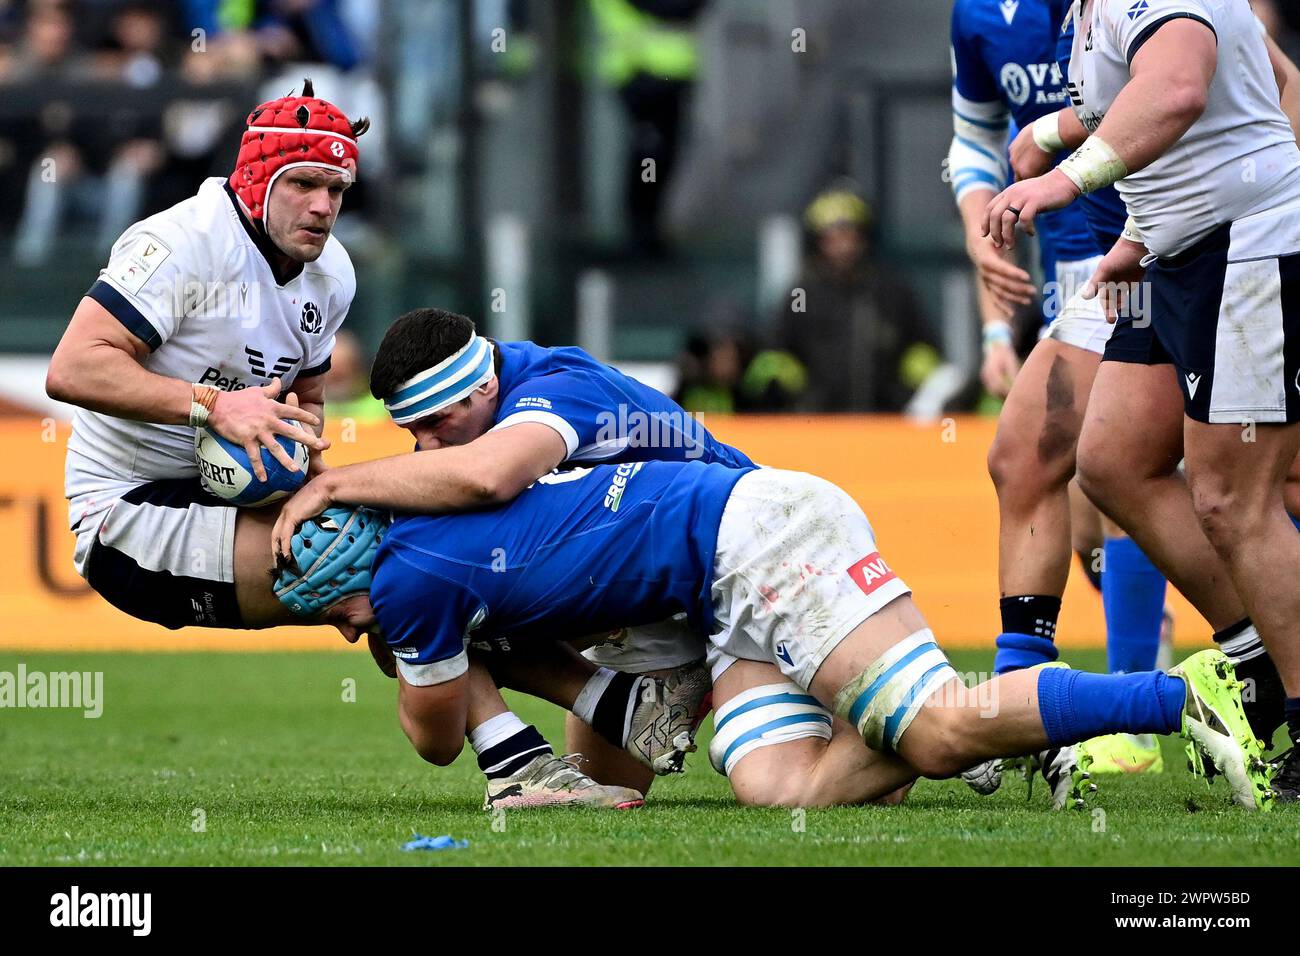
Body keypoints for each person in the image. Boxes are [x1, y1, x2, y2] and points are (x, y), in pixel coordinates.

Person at [343, 458, 1272, 810]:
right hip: (717, 608)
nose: (350, 632)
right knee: (784, 792)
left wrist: (450, 667)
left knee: (937, 728)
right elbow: (617, 775)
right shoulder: (471, 503)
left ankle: (1187, 694)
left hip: (761, 541)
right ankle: (984, 730)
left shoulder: (418, 572)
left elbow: (431, 737)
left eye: (337, 612)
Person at [985, 0, 1300, 799]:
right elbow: (1151, 106)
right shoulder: (1088, 13)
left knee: (1236, 497)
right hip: (1173, 255)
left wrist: (1060, 174)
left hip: (1246, 244)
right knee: (1113, 461)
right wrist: (1129, 237)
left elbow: (1180, 88)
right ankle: (1253, 663)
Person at [271, 308, 757, 808]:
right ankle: (599, 721)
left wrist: (333, 484)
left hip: (738, 572)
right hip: (655, 601)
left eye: (437, 422)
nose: (428, 447)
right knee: (610, 788)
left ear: (482, 387)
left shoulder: (560, 387)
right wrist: (396, 617)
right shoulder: (478, 418)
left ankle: (515, 759)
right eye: (414, 431)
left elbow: (489, 476)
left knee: (782, 788)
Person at [949, 0, 1173, 787]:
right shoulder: (975, 14)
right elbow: (973, 137)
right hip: (1067, 273)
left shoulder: (1107, 4)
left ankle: (1123, 700)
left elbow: (1165, 93)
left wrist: (1051, 139)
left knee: (1116, 476)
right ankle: (1199, 664)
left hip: (1151, 254)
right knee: (1086, 508)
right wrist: (983, 231)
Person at [45, 79, 364, 632]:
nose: (323, 207)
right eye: (305, 184)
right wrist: (215, 406)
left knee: (417, 566)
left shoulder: (333, 272)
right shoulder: (183, 242)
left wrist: (312, 486)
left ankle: (530, 713)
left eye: (337, 190)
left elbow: (306, 399)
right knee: (368, 569)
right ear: (258, 181)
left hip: (233, 498)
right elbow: (72, 367)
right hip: (125, 510)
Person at [772, 187, 939, 412]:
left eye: (849, 235)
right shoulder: (801, 294)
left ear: (864, 239)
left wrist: (904, 393)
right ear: (818, 243)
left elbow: (925, 350)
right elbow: (778, 355)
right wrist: (802, 394)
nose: (842, 246)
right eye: (831, 238)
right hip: (816, 427)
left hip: (886, 423)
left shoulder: (892, 292)